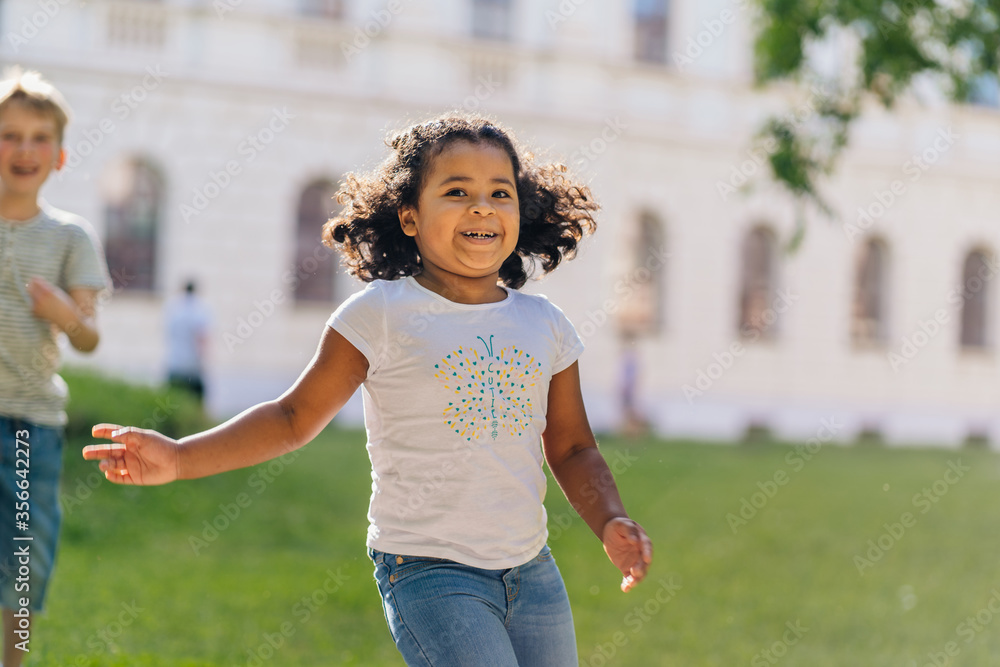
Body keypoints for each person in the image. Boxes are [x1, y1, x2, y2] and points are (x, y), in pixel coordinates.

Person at [83, 114, 653, 665]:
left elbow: (574, 447)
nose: (481, 206)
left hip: (532, 571)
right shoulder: (381, 313)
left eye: (499, 193)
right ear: (409, 216)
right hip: (428, 572)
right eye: (456, 191)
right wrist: (181, 458)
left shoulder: (545, 324)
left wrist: (610, 518)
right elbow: (291, 418)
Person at [0, 68, 110, 667]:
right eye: (9, 134)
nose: (23, 149)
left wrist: (65, 312)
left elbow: (89, 338)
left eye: (38, 137)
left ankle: (13, 662)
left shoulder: (71, 238)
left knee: (22, 553)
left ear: (59, 156)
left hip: (29, 424)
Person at [164, 280, 210, 403]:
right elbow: (201, 338)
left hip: (175, 363)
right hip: (192, 366)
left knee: (172, 400)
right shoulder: (199, 309)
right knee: (195, 401)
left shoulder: (174, 308)